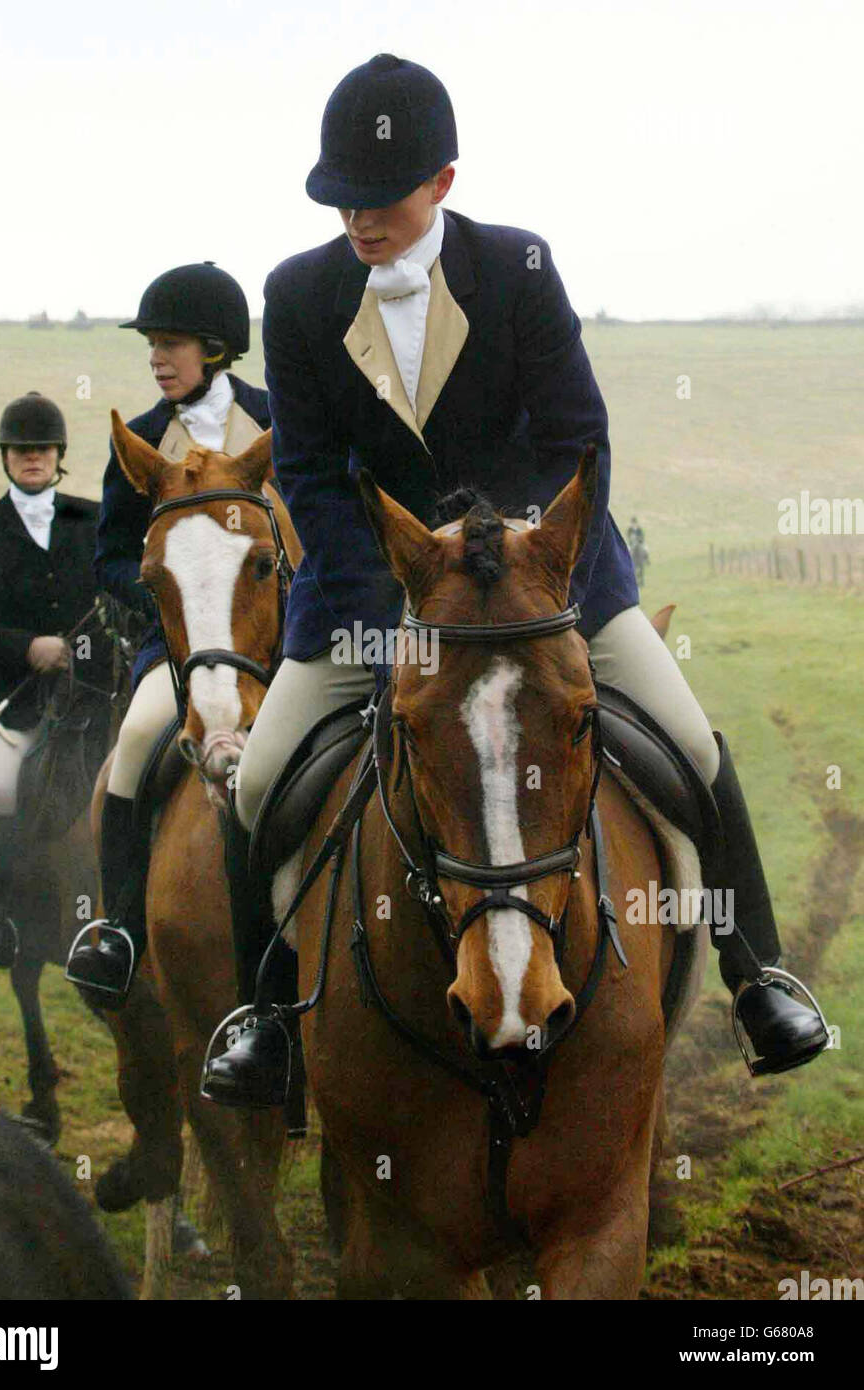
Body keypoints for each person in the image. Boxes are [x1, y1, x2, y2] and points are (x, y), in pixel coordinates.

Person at [203, 54, 829, 1105]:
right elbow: (307, 470)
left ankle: (755, 969)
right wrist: (395, 607)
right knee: (258, 782)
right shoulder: (298, 294)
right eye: (343, 198)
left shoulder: (521, 268)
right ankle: (263, 1013)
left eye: (382, 199)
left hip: (548, 582)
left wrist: (529, 571)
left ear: (442, 183)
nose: (360, 219)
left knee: (689, 741)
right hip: (376, 600)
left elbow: (578, 439)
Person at [64, 262, 270, 1006]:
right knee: (137, 740)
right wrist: (173, 602)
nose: (156, 357)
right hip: (179, 644)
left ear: (214, 350)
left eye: (170, 343)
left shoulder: (274, 421)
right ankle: (119, 925)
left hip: (272, 643)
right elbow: (112, 556)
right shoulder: (144, 441)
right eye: (151, 344)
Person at [0, 393, 108, 967]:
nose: (32, 458)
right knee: (1, 780)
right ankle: (0, 918)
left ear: (58, 454)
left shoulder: (92, 519)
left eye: (42, 449)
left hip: (92, 692)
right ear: (6, 457)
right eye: (21, 450)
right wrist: (27, 647)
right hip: (13, 699)